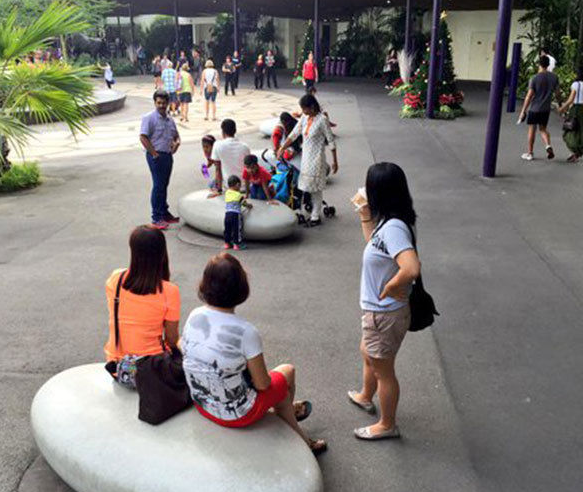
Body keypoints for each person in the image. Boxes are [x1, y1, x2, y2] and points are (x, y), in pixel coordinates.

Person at [180, 253, 327, 455]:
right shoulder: (245, 331)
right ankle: (302, 440)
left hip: (202, 403)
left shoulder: (194, 315)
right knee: (286, 373)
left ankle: (286, 411)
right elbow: (262, 384)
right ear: (240, 288)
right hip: (235, 414)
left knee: (277, 389)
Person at [348, 162, 421, 441]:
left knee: (384, 370)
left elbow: (412, 267)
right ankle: (367, 395)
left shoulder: (394, 228)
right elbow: (374, 247)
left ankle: (387, 424)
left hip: (384, 314)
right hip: (379, 312)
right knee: (369, 353)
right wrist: (365, 214)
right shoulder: (390, 222)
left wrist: (391, 286)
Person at [104, 225, 180, 387]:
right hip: (151, 368)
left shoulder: (115, 279)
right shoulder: (169, 290)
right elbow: (172, 339)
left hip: (117, 364)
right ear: (162, 253)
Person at [277, 94, 337, 227]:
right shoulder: (304, 118)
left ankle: (315, 216)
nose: (303, 111)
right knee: (304, 185)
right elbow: (294, 134)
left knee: (316, 188)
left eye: (304, 108)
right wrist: (282, 148)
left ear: (312, 107)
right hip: (306, 158)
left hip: (317, 158)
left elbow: (331, 141)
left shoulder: (322, 120)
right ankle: (308, 211)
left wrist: (335, 161)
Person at [139, 90, 181, 229]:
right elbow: (143, 137)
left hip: (167, 155)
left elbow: (176, 135)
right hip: (155, 156)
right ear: (155, 102)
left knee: (164, 185)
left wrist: (177, 143)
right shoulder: (149, 118)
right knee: (158, 186)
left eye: (164, 102)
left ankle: (164, 213)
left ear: (168, 103)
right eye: (159, 103)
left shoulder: (170, 119)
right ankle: (156, 218)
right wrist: (154, 154)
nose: (162, 105)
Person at [518, 55, 558, 161]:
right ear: (548, 65)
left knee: (532, 130)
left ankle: (530, 153)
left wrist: (523, 111)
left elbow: (529, 96)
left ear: (539, 64)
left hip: (534, 109)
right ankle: (548, 146)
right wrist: (561, 104)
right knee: (543, 129)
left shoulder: (534, 78)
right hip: (546, 109)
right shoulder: (554, 77)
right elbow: (558, 93)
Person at [559, 66, 583, 163]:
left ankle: (575, 152)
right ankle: (577, 153)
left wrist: (562, 108)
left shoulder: (576, 85)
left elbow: (571, 100)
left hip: (577, 109)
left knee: (572, 131)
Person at [210, 118, 250, 197]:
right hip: (244, 188)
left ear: (223, 132)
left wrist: (219, 190)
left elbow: (217, 169)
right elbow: (248, 170)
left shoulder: (218, 145)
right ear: (235, 131)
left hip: (229, 188)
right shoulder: (245, 147)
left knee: (211, 184)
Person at [223, 175, 250, 250]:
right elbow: (244, 204)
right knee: (237, 229)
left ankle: (227, 243)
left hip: (227, 214)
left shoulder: (227, 193)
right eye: (239, 186)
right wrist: (249, 206)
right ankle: (237, 244)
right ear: (238, 185)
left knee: (227, 229)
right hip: (235, 214)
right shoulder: (239, 195)